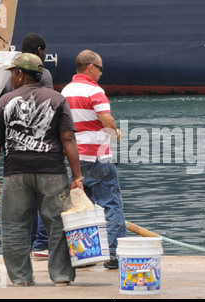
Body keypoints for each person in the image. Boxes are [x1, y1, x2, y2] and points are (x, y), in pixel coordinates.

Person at [0, 53, 84, 285]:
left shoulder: (4, 101)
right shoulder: (57, 99)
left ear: (20, 74)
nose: (11, 77)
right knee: (58, 224)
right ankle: (60, 277)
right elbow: (68, 138)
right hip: (52, 172)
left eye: (12, 73)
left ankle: (21, 279)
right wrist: (77, 175)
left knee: (15, 225)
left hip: (15, 173)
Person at [61, 49, 127, 269]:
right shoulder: (94, 91)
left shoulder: (65, 91)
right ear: (91, 67)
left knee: (84, 207)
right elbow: (107, 122)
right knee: (111, 204)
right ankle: (114, 255)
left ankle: (84, 256)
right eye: (100, 69)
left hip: (75, 158)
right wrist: (115, 134)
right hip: (97, 158)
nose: (101, 73)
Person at [2, 33, 53, 258]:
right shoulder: (45, 74)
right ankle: (42, 244)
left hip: (14, 148)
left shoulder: (9, 78)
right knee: (45, 198)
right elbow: (48, 107)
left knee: (25, 202)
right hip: (39, 147)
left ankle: (30, 244)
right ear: (40, 51)